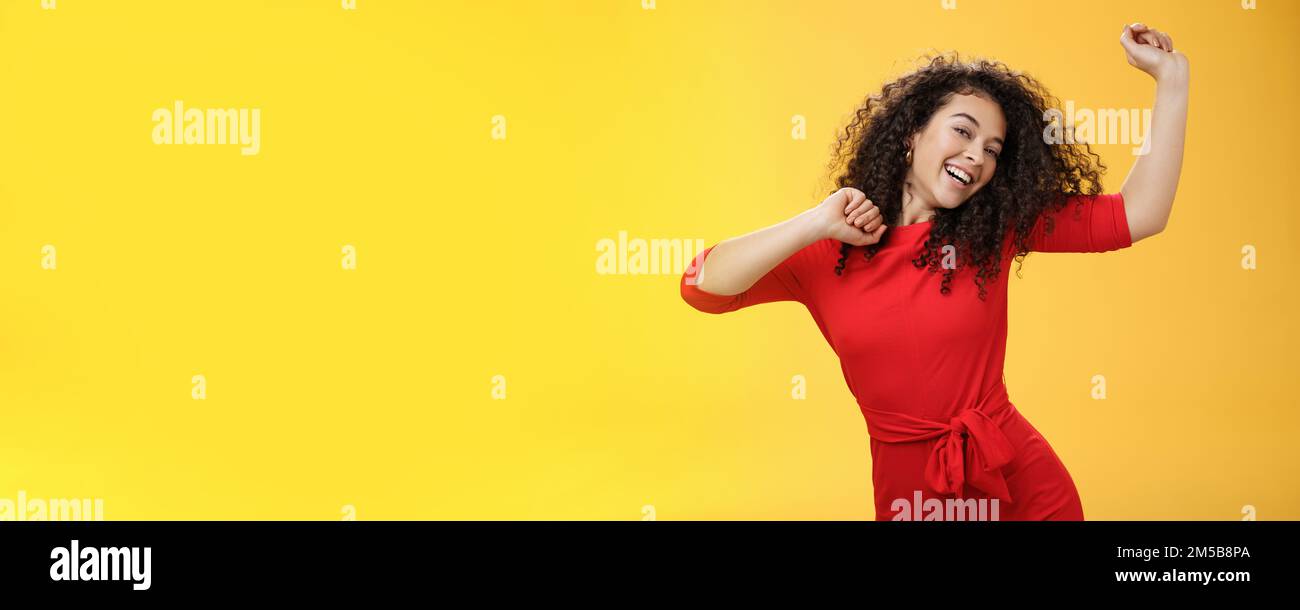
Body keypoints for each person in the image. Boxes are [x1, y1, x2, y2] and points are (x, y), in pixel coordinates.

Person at [680, 24, 1188, 520]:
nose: (977, 154)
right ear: (911, 133)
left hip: (1021, 487)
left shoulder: (994, 228)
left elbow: (1140, 213)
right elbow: (701, 285)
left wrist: (1172, 79)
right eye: (963, 131)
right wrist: (814, 222)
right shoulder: (828, 249)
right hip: (911, 497)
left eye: (992, 149)